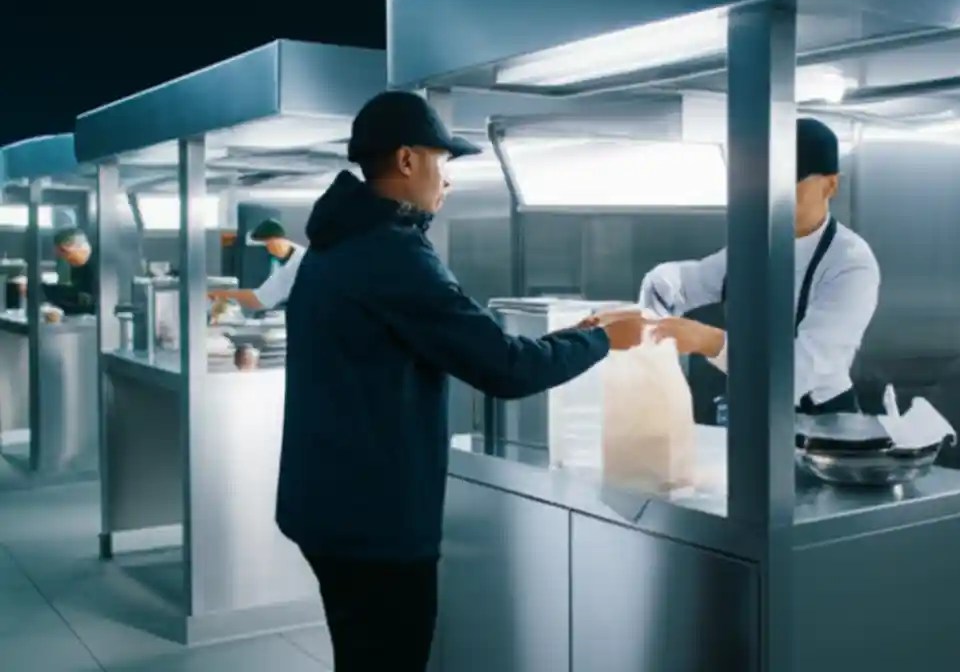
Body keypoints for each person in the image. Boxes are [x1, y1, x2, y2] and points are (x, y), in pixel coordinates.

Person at [276, 91, 645, 672]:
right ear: (406, 161)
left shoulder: (334, 245)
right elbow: (505, 367)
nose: (446, 181)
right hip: (374, 522)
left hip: (327, 505)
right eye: (441, 162)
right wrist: (601, 340)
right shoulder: (390, 254)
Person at [642, 117, 883, 415]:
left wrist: (708, 340)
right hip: (754, 414)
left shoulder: (850, 262)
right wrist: (657, 301)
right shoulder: (755, 247)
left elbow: (799, 372)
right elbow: (686, 281)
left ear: (830, 185)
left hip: (823, 425)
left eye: (788, 185)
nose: (773, 196)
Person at [208, 219, 306, 310]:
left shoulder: (299, 263)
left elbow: (258, 300)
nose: (269, 250)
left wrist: (220, 294)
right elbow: (261, 297)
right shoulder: (284, 262)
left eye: (267, 244)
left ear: (275, 239)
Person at [43, 227, 96, 316]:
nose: (65, 259)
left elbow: (91, 305)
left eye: (65, 252)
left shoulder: (103, 268)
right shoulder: (78, 266)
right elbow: (74, 294)